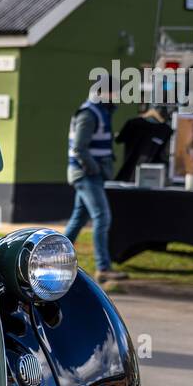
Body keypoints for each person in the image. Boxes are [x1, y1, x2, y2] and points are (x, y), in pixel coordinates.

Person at [63, 91, 127, 282]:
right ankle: (103, 268)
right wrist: (94, 169)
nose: (118, 96)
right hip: (87, 176)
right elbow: (79, 148)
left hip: (89, 175)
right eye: (115, 92)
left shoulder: (100, 111)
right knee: (102, 217)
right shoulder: (89, 114)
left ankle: (54, 258)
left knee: (78, 219)